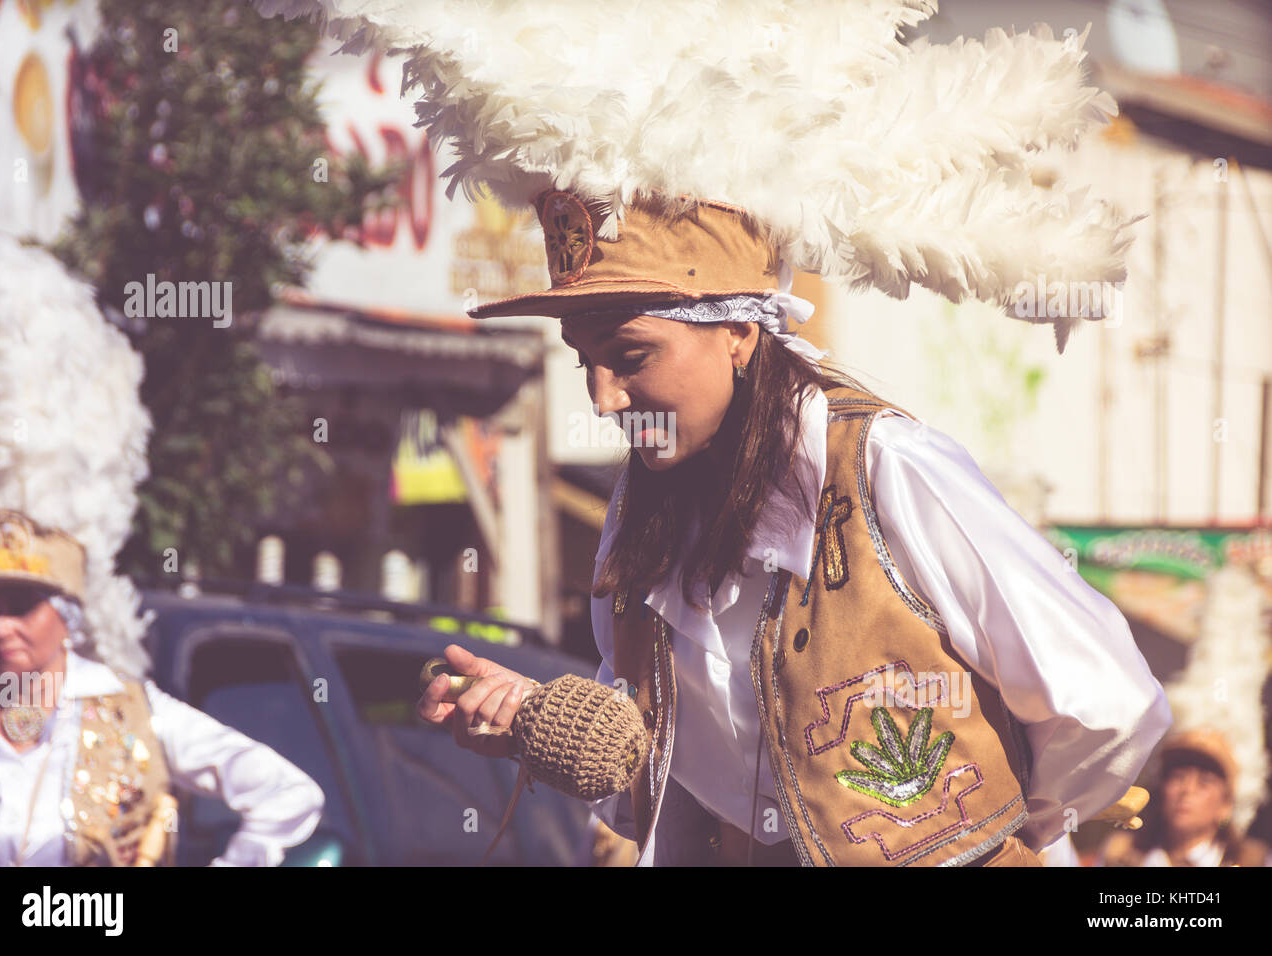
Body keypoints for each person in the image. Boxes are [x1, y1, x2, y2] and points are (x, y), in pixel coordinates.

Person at [262, 1, 1172, 865]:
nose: (606, 397)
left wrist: (995, 836)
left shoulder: (888, 470)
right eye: (583, 357)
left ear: (740, 331)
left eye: (631, 354)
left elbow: (1110, 704)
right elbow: (676, 793)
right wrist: (542, 719)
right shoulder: (642, 516)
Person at [0, 509, 325, 866]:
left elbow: (288, 793)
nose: (0, 628)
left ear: (67, 617)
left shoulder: (133, 711)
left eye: (22, 607)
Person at [1098, 730, 1269, 868]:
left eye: (1204, 782)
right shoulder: (1120, 855)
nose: (1187, 790)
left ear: (1225, 805)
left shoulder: (1254, 861)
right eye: (1178, 777)